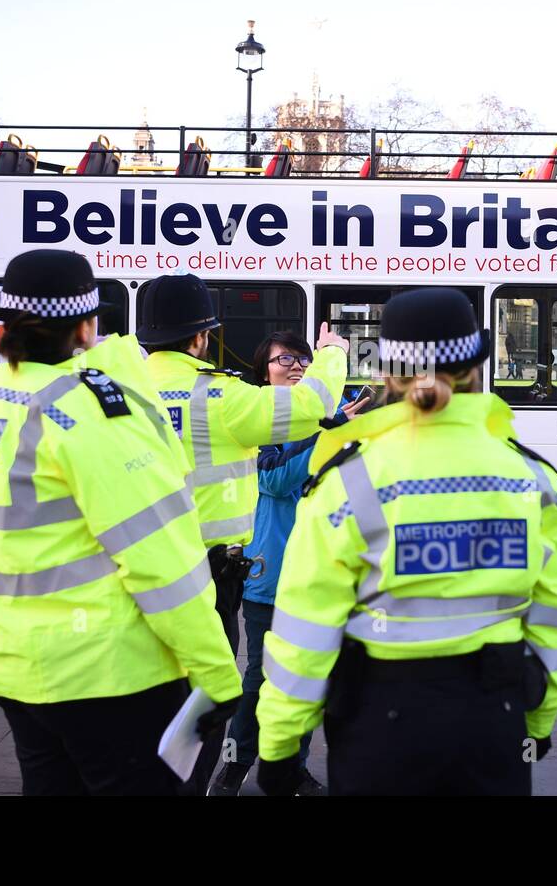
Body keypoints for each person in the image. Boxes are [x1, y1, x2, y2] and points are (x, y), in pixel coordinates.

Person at [255, 287, 557, 796]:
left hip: (377, 734)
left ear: (389, 375)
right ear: (476, 368)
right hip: (492, 728)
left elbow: (304, 633)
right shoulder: (536, 482)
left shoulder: (347, 482)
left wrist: (277, 747)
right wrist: (536, 725)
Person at [0, 249, 241, 795]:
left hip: (11, 670)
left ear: (5, 325)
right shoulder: (90, 410)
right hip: (108, 676)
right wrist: (217, 673)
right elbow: (161, 559)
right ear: (87, 325)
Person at [137, 274, 349, 791]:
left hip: (134, 567)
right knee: (214, 687)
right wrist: (333, 353)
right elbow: (309, 408)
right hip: (211, 569)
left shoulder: (117, 392)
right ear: (199, 338)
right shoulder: (220, 397)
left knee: (150, 687)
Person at [208, 331, 369, 796]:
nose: (296, 366)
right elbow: (276, 479)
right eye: (285, 359)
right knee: (260, 679)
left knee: (306, 679)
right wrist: (329, 429)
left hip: (321, 578)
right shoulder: (254, 416)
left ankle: (292, 769)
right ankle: (232, 768)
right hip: (271, 574)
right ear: (264, 370)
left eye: (304, 358)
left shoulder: (322, 417)